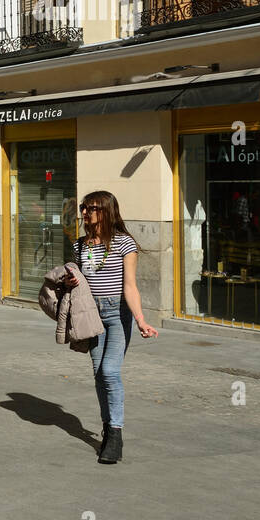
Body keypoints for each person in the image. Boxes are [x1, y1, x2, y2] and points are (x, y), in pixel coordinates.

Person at [67, 191, 158, 465]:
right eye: (83, 208)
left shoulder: (124, 243)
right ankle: (107, 427)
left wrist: (140, 319)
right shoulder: (79, 246)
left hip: (117, 314)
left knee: (109, 370)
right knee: (98, 373)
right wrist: (71, 283)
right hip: (91, 316)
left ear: (106, 211)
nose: (84, 212)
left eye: (91, 208)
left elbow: (130, 286)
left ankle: (115, 433)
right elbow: (82, 282)